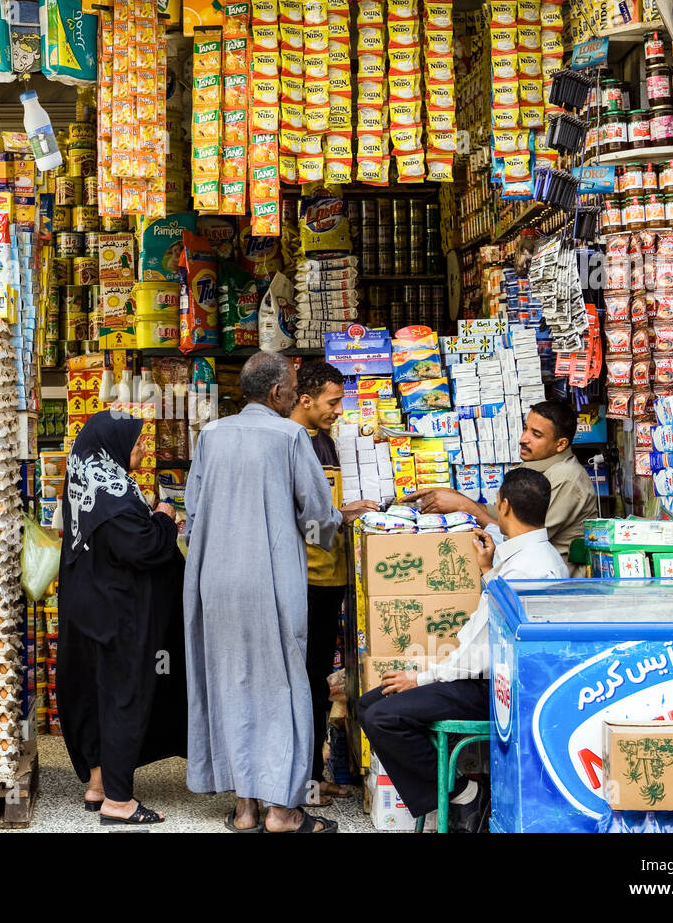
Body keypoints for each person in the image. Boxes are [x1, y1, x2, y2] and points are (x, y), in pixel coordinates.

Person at [183, 352, 377, 833]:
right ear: (276, 395)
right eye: (292, 388)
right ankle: (283, 812)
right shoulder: (290, 436)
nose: (295, 395)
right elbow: (315, 517)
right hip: (268, 580)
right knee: (282, 688)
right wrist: (338, 521)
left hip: (215, 580)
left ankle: (245, 809)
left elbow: (194, 508)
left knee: (231, 684)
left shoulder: (211, 435)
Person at [356, 468, 570, 832]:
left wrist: (420, 678)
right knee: (369, 704)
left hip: (495, 689)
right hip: (488, 677)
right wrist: (488, 572)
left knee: (382, 716)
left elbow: (479, 655)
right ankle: (456, 793)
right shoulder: (534, 558)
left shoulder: (526, 570)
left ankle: (463, 792)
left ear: (502, 505)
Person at [57, 410, 188, 826]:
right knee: (123, 697)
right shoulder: (111, 491)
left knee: (96, 696)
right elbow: (141, 547)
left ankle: (98, 784)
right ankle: (119, 801)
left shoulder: (88, 477)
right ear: (113, 445)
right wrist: (164, 520)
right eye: (136, 443)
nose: (143, 449)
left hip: (87, 608)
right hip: (117, 614)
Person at [289, 359, 378, 804]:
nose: (339, 409)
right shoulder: (289, 443)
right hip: (303, 580)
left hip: (331, 578)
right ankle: (299, 782)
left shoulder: (323, 441)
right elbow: (296, 519)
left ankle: (313, 772)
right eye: (333, 401)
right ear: (305, 400)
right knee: (303, 680)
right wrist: (342, 516)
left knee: (320, 679)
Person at [403, 399, 597, 574]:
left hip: (544, 581)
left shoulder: (566, 478)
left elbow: (521, 534)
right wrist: (454, 498)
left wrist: (466, 508)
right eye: (525, 428)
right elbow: (506, 512)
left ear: (561, 444)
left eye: (536, 434)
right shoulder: (537, 465)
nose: (523, 439)